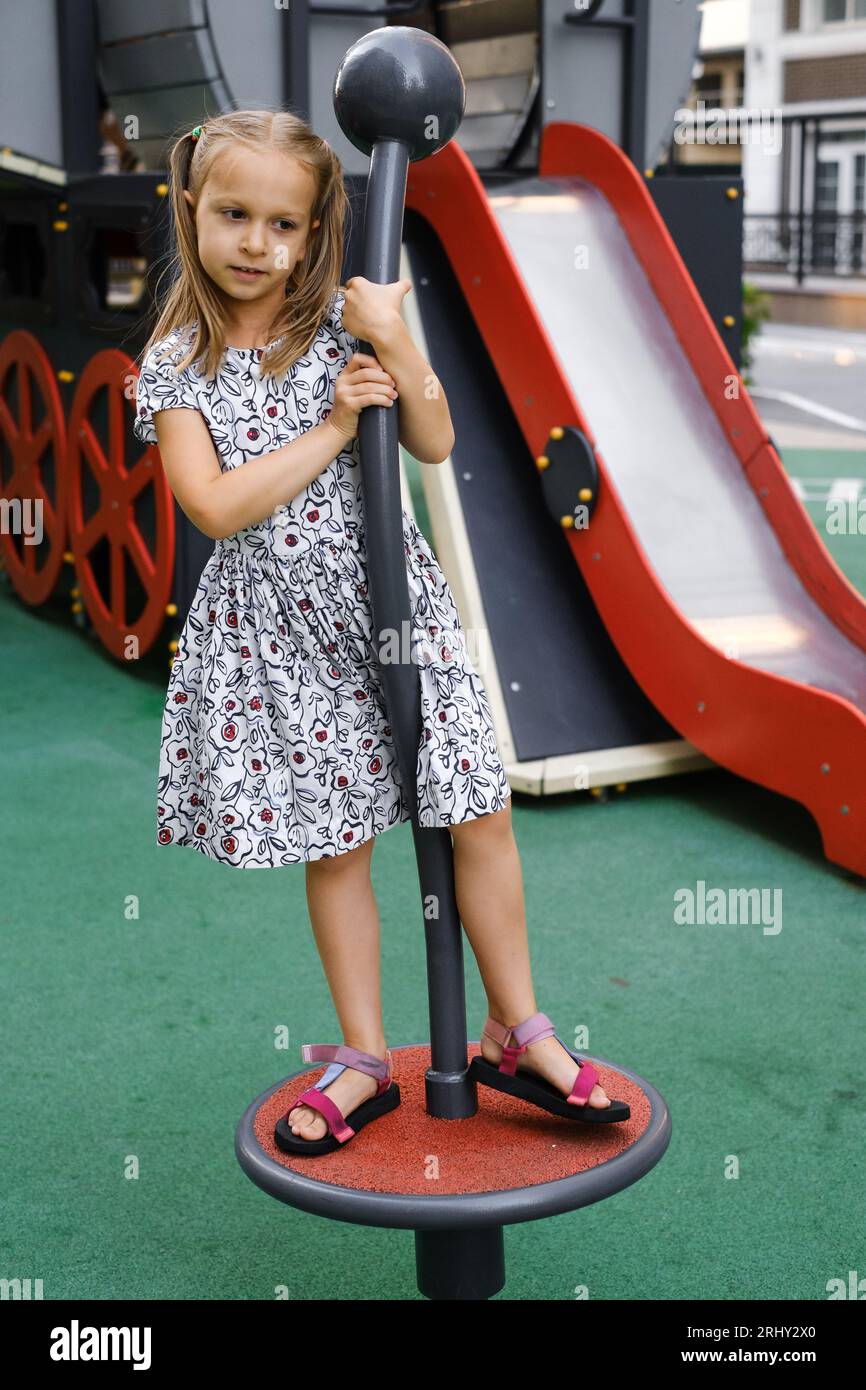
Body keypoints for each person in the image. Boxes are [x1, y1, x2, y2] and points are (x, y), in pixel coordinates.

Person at [133, 109, 626, 1156]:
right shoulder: (177, 357)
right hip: (281, 635)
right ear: (193, 208)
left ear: (315, 234)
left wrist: (396, 340)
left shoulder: (343, 331)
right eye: (234, 214)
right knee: (339, 842)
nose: (258, 243)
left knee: (476, 809)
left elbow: (436, 440)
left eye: (284, 223)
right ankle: (361, 1056)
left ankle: (515, 1029)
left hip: (401, 615)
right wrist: (329, 428)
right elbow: (212, 506)